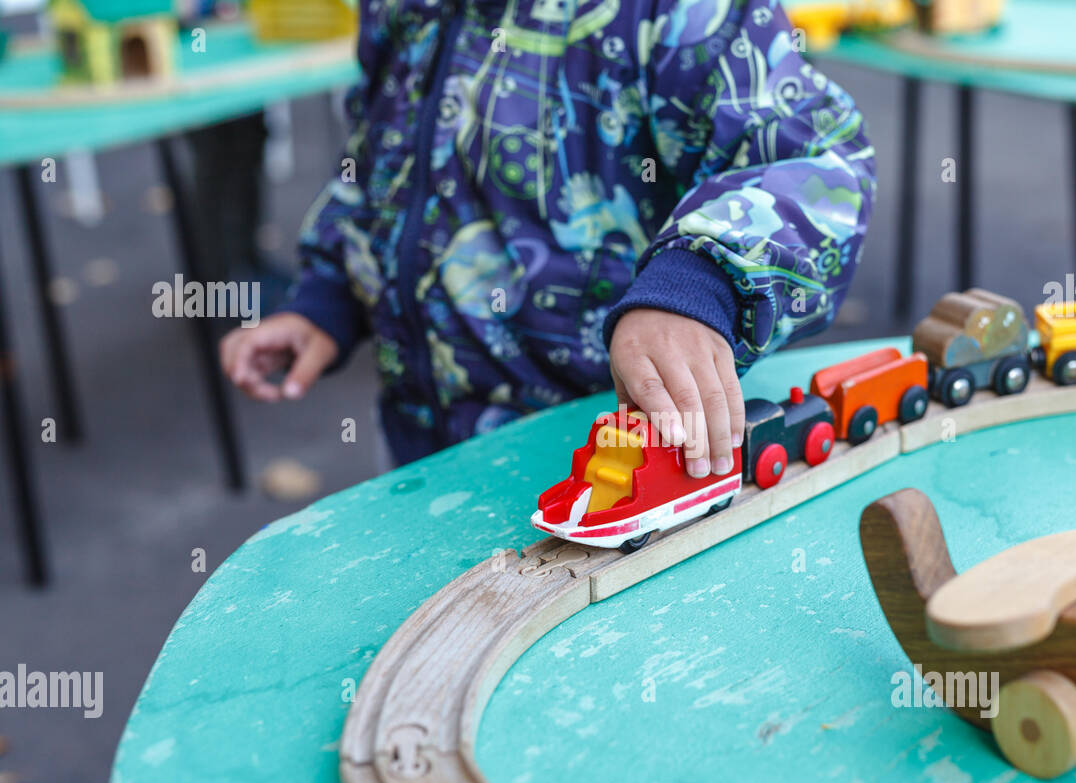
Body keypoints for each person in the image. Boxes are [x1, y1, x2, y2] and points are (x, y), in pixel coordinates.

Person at [220, 0, 875, 476]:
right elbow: (382, 167)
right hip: (420, 448)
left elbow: (813, 162)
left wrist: (699, 283)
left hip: (612, 454)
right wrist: (328, 301)